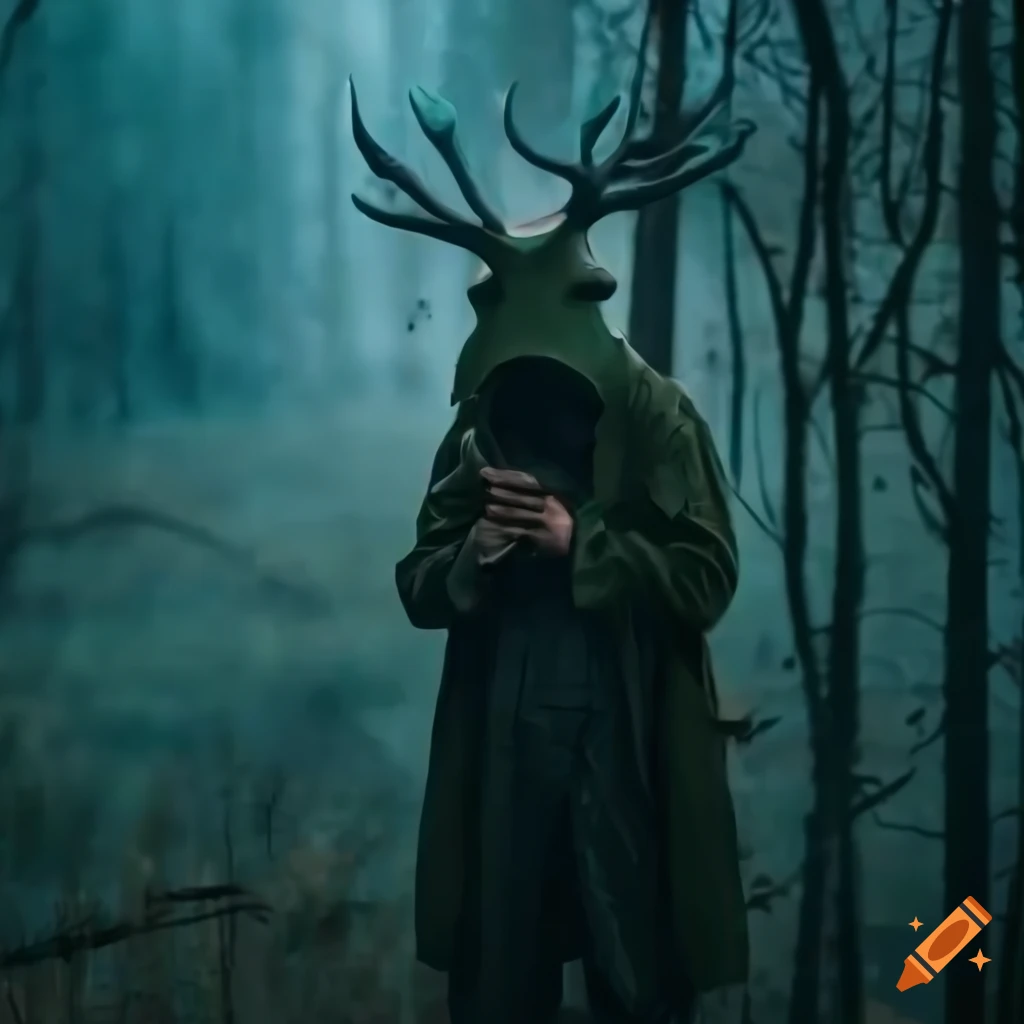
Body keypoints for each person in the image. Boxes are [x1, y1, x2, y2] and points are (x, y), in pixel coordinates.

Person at [348, 5, 755, 1018]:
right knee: (502, 970)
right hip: (506, 733)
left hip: (622, 730)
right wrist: (472, 555)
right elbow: (417, 579)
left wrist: (588, 544)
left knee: (635, 958)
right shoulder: (483, 425)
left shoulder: (656, 415)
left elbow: (706, 578)